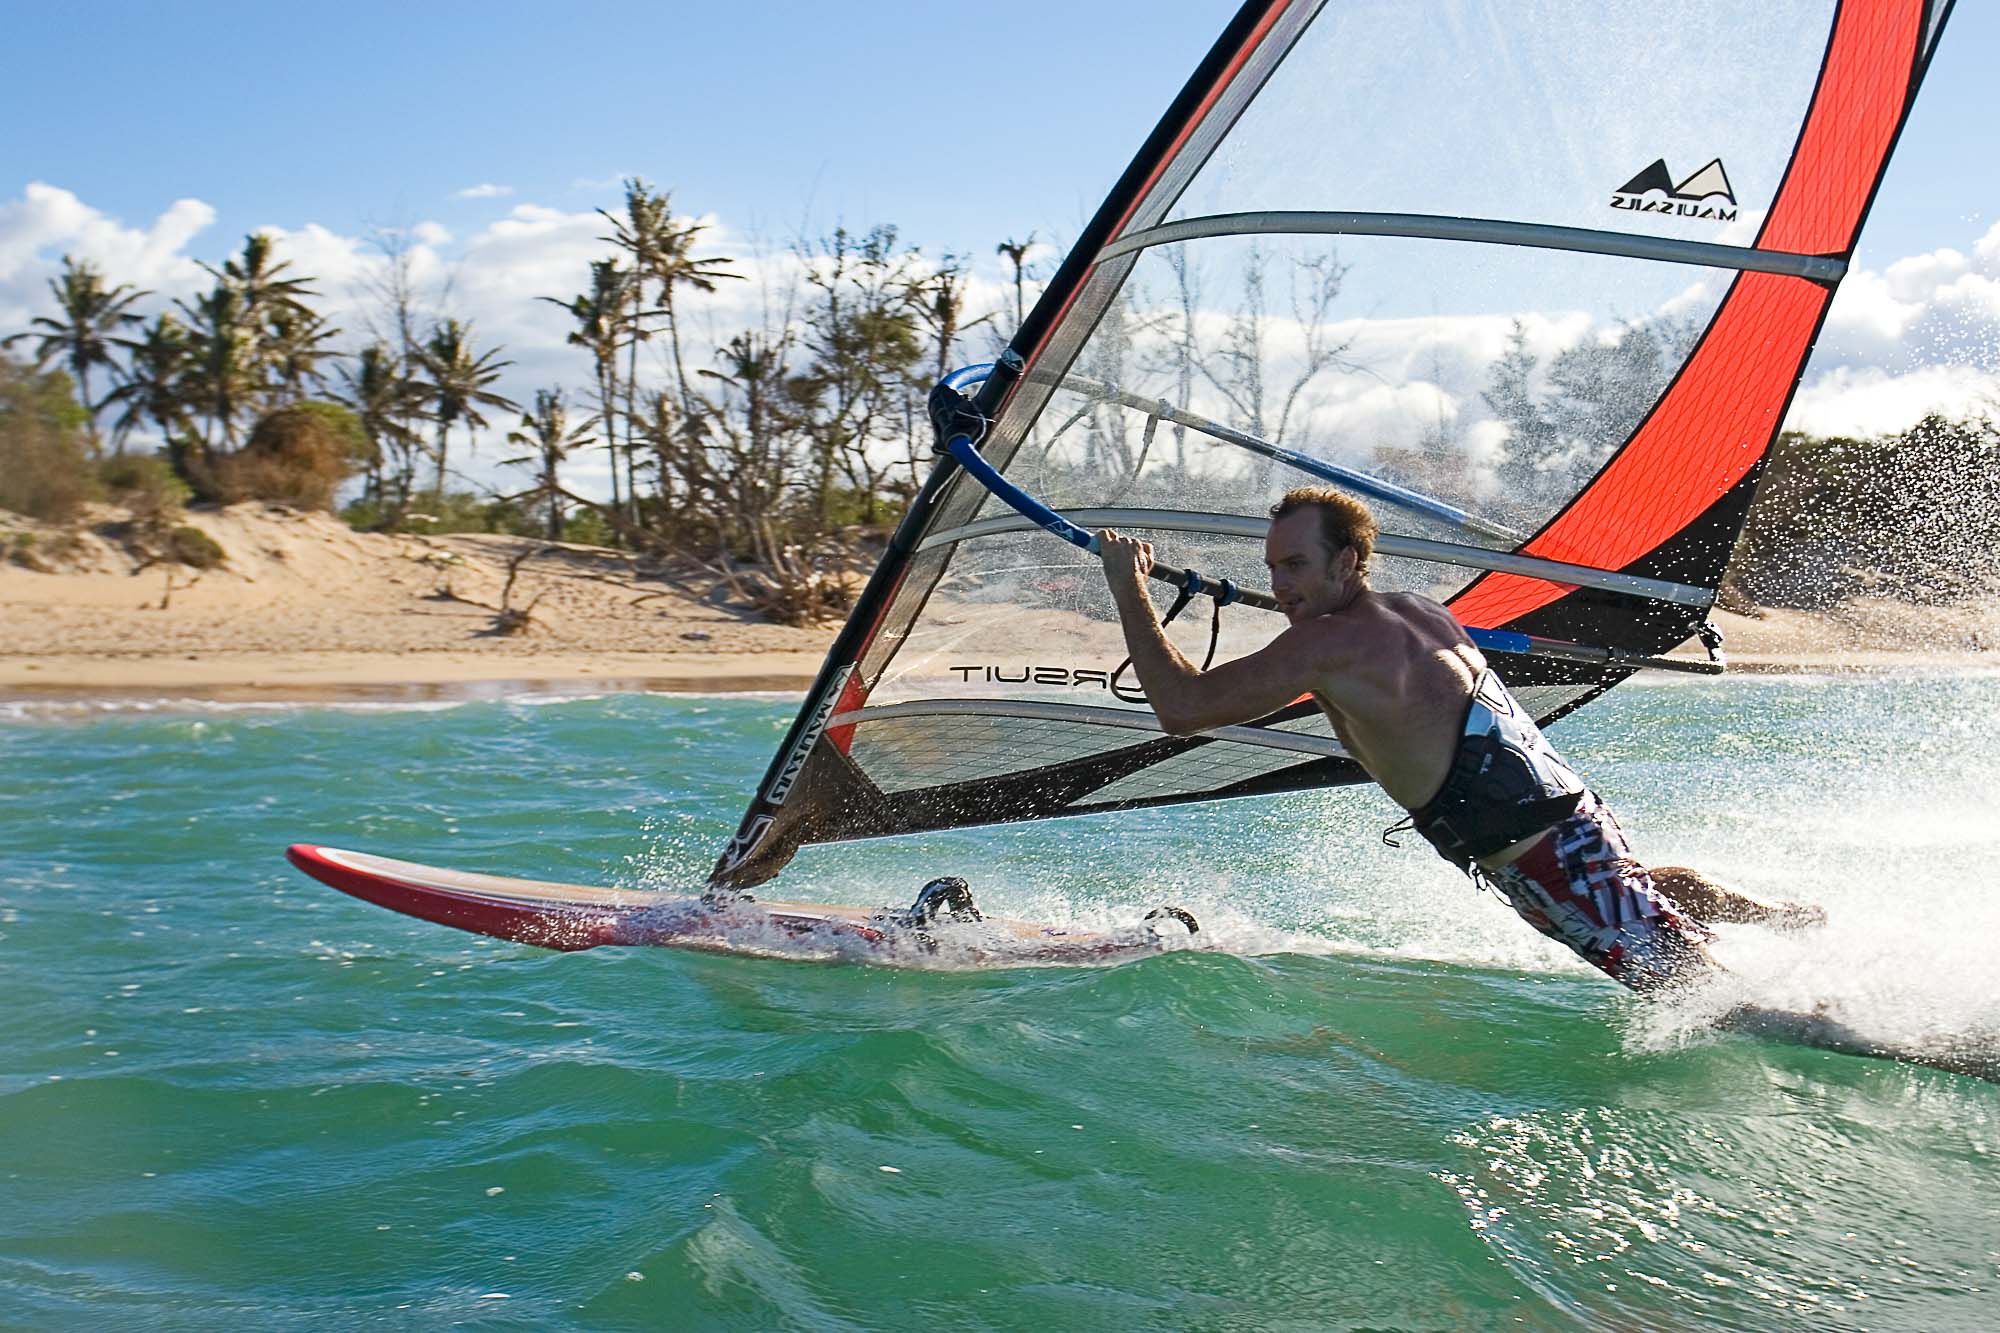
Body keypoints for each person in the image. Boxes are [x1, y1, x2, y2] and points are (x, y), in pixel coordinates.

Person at [1095, 485, 1819, 991]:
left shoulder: (1322, 646)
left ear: (1348, 561)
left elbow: (1182, 708)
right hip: (1574, 818)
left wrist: (1130, 589)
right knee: (1641, 893)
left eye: (1296, 565)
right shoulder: (1421, 610)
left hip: (1540, 858)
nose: (1282, 585)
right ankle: (1792, 920)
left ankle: (1870, 1024)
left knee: (1700, 993)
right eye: (1273, 569)